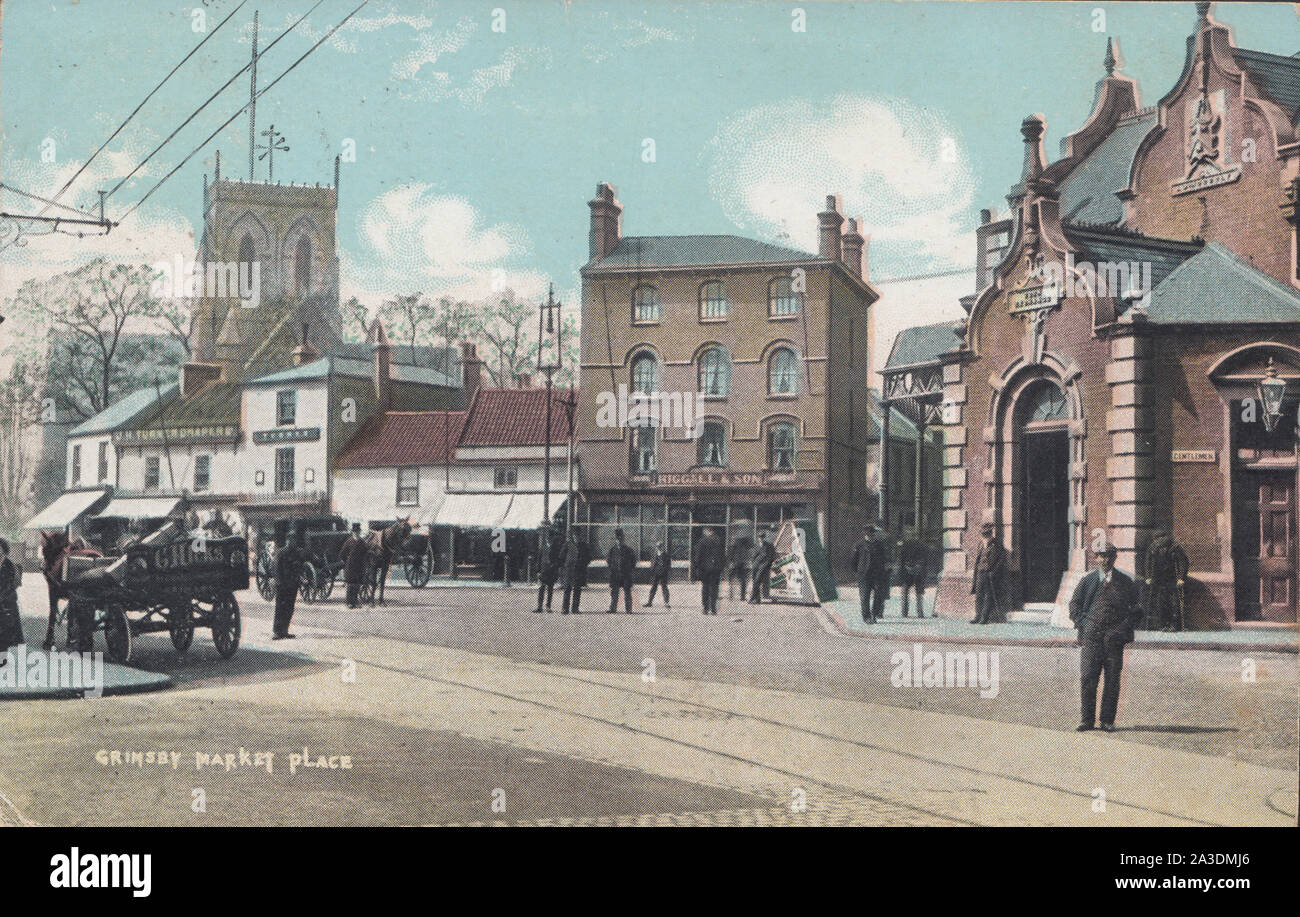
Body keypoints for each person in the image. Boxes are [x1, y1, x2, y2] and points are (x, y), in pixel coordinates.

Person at [1069, 541, 1141, 732]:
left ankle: (1107, 720)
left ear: (1114, 558)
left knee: (1112, 679)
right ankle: (1087, 720)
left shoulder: (1126, 583)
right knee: (1088, 678)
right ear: (1096, 558)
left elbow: (1136, 610)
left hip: (1114, 639)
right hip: (1091, 638)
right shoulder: (1088, 581)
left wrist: (1123, 629)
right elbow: (1074, 606)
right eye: (1100, 556)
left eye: (1108, 556)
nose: (1104, 560)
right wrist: (1084, 625)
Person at [1144, 530, 1188, 632]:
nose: (1160, 541)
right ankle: (1161, 624)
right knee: (1160, 602)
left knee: (1174, 602)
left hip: (1172, 578)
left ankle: (1174, 625)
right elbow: (1148, 563)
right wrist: (1148, 577)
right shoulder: (1153, 548)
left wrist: (1181, 578)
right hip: (1158, 579)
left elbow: (1182, 562)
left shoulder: (1175, 547)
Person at [273, 521, 309, 639]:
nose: (291, 542)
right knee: (280, 608)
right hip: (283, 585)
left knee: (289, 608)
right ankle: (277, 632)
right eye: (290, 539)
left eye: (293, 540)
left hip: (292, 584)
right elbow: (277, 570)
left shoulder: (297, 553)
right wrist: (279, 583)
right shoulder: (281, 553)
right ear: (287, 540)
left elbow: (303, 563)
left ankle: (285, 630)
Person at [851, 524, 888, 623]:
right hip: (864, 575)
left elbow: (884, 559)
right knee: (864, 596)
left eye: (872, 534)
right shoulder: (859, 545)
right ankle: (866, 617)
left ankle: (874, 614)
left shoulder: (880, 545)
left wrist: (883, 571)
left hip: (877, 574)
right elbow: (854, 560)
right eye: (868, 534)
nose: (870, 536)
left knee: (878, 595)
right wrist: (857, 572)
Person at [970, 522, 1006, 625]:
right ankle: (977, 616)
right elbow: (978, 559)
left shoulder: (997, 544)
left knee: (987, 596)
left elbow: (1000, 560)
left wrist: (993, 572)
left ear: (990, 534)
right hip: (980, 573)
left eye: (986, 534)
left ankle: (984, 618)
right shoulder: (981, 544)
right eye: (983, 534)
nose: (984, 536)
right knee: (978, 595)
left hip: (989, 573)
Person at [0, 538, 23, 665]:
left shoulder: (9, 565)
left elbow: (9, 586)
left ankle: (2, 658)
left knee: (4, 632)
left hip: (7, 603)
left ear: (4, 551)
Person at [692, 527, 725, 615]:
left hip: (704, 569)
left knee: (705, 588)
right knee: (714, 589)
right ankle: (713, 608)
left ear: (707, 531)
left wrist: (696, 567)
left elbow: (698, 556)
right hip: (715, 569)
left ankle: (705, 608)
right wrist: (721, 567)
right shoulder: (719, 541)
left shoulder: (702, 541)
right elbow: (722, 556)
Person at [898, 531, 928, 618]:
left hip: (909, 571)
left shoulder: (904, 546)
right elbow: (924, 560)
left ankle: (905, 612)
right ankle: (919, 612)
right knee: (918, 593)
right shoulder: (921, 545)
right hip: (916, 571)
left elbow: (901, 561)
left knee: (906, 592)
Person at [606, 528, 637, 613]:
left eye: (621, 539)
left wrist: (629, 570)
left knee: (627, 592)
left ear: (623, 539)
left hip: (625, 574)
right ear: (616, 540)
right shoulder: (612, 550)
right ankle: (613, 608)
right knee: (614, 593)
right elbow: (608, 560)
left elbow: (633, 561)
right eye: (617, 540)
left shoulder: (628, 550)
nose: (619, 541)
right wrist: (612, 568)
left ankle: (629, 609)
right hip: (615, 574)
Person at [559, 531, 590, 615]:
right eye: (575, 535)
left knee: (577, 589)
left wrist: (583, 564)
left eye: (578, 535)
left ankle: (575, 608)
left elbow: (588, 557)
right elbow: (561, 556)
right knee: (567, 589)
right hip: (569, 570)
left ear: (580, 536)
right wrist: (565, 566)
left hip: (579, 570)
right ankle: (565, 608)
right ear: (573, 536)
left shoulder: (584, 546)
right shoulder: (567, 545)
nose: (576, 537)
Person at [340, 523, 367, 609]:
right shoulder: (349, 541)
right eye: (355, 531)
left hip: (359, 566)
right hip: (350, 566)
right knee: (350, 585)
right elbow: (342, 554)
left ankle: (355, 601)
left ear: (360, 532)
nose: (356, 533)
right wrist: (347, 561)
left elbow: (365, 553)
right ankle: (349, 602)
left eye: (358, 531)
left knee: (357, 585)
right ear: (352, 532)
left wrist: (364, 563)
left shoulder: (362, 542)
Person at [535, 528, 563, 613]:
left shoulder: (556, 547)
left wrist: (555, 567)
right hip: (544, 570)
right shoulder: (543, 547)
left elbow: (558, 559)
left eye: (550, 537)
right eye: (548, 537)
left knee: (550, 589)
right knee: (542, 588)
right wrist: (538, 570)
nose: (549, 539)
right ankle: (539, 606)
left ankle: (548, 606)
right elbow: (539, 559)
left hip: (552, 570)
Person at [748, 530, 777, 605]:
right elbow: (753, 556)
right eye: (759, 537)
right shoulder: (756, 545)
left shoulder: (769, 545)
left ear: (764, 538)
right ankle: (757, 599)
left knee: (757, 581)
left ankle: (752, 598)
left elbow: (772, 556)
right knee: (755, 581)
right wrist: (752, 564)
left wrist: (768, 564)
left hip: (764, 566)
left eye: (762, 537)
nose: (760, 539)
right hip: (756, 565)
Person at [645, 541, 671, 608]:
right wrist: (652, 571)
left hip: (663, 574)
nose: (659, 548)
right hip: (655, 573)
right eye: (658, 546)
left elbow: (668, 565)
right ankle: (649, 602)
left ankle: (666, 602)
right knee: (653, 587)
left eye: (660, 546)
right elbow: (652, 563)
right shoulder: (654, 555)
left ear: (662, 547)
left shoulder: (666, 555)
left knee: (664, 587)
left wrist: (666, 571)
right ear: (656, 547)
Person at [728, 533, 752, 601]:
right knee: (742, 581)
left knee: (732, 581)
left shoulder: (733, 547)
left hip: (735, 565)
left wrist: (731, 563)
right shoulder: (744, 547)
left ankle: (732, 596)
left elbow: (730, 556)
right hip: (741, 565)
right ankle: (742, 596)